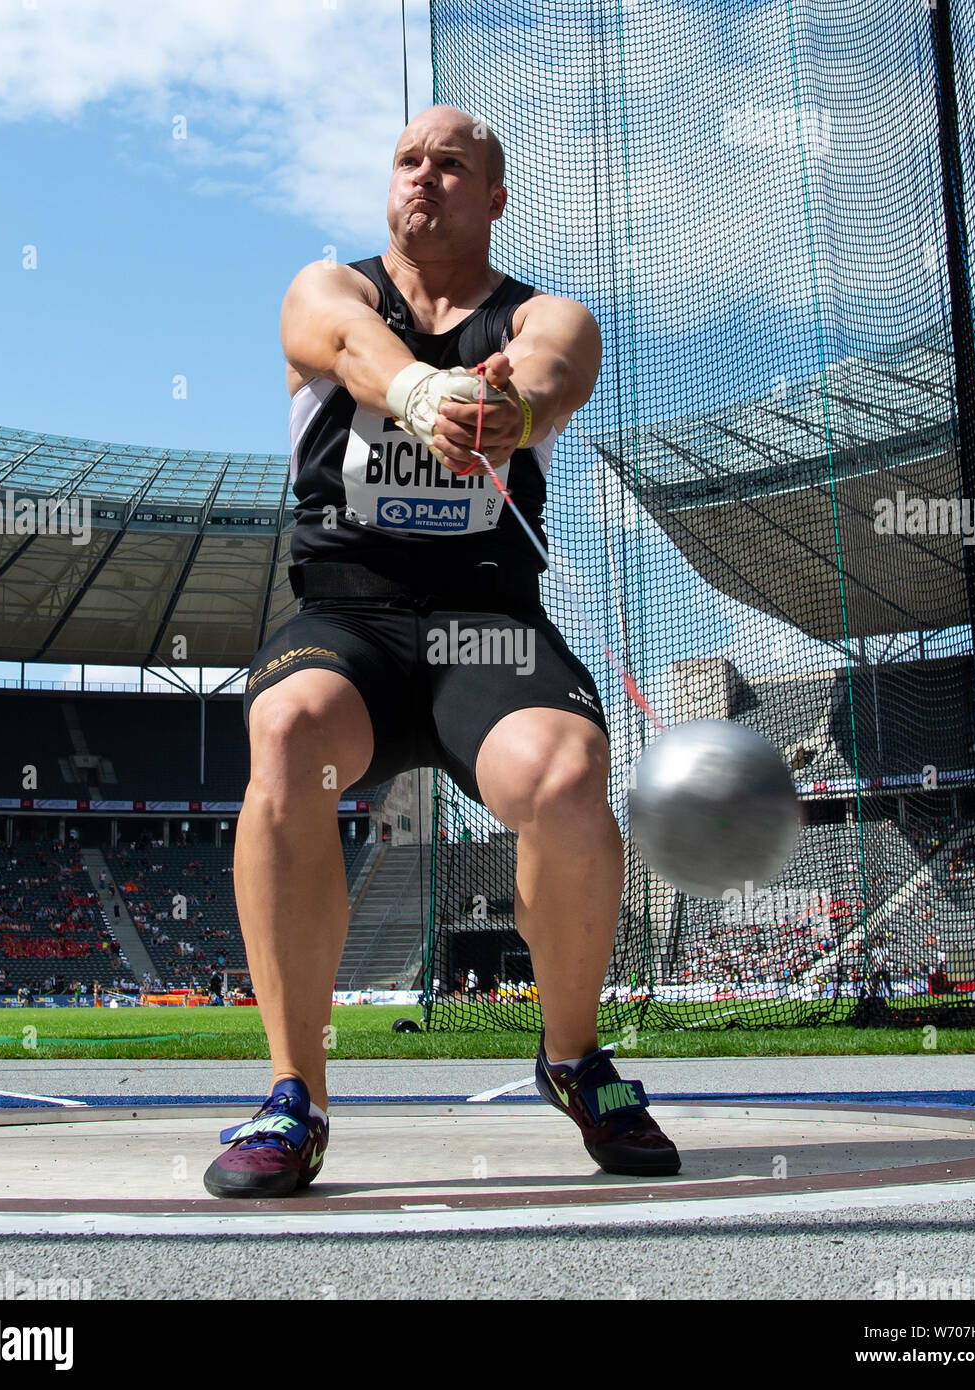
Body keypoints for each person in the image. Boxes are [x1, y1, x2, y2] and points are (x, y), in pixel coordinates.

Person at [204, 105, 680, 1200]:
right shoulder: (329, 287)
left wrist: (510, 402)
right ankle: (295, 1096)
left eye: (451, 164)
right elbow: (344, 346)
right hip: (348, 619)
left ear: (493, 199)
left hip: (487, 624)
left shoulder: (543, 312)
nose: (424, 176)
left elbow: (557, 363)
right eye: (408, 160)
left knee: (564, 779)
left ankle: (569, 1056)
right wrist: (418, 390)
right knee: (282, 731)